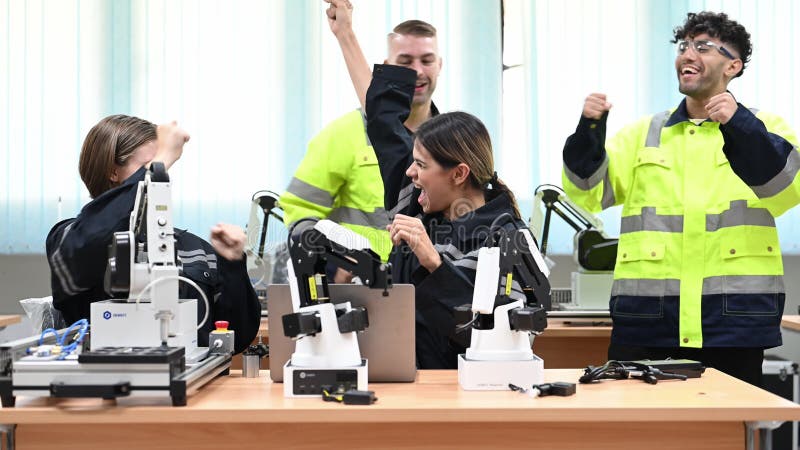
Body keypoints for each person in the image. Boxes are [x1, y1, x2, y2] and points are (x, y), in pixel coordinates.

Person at [562, 11, 799, 385]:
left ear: (732, 66)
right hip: (648, 323)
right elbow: (588, 192)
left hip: (734, 323)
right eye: (684, 46)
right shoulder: (643, 133)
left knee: (726, 439)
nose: (688, 54)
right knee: (643, 438)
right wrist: (588, 132)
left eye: (702, 46)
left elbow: (786, 190)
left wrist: (740, 126)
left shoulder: (767, 128)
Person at [46, 115, 261, 354]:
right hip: (109, 387)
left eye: (162, 168)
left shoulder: (195, 250)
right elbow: (93, 237)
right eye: (151, 166)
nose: (160, 176)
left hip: (193, 385)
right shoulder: (68, 240)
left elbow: (238, 338)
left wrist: (232, 264)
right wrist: (163, 157)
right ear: (112, 172)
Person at [365, 63, 529, 369]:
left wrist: (435, 264)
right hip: (407, 389)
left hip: (466, 399)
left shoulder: (509, 237)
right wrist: (345, 33)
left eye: (422, 165)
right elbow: (384, 128)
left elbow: (509, 336)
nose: (410, 173)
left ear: (459, 174)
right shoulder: (419, 208)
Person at [280, 1, 441, 281]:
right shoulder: (341, 135)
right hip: (359, 291)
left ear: (440, 65)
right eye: (405, 63)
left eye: (426, 60)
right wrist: (338, 262)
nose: (417, 71)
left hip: (430, 288)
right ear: (388, 69)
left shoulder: (451, 140)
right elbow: (299, 211)